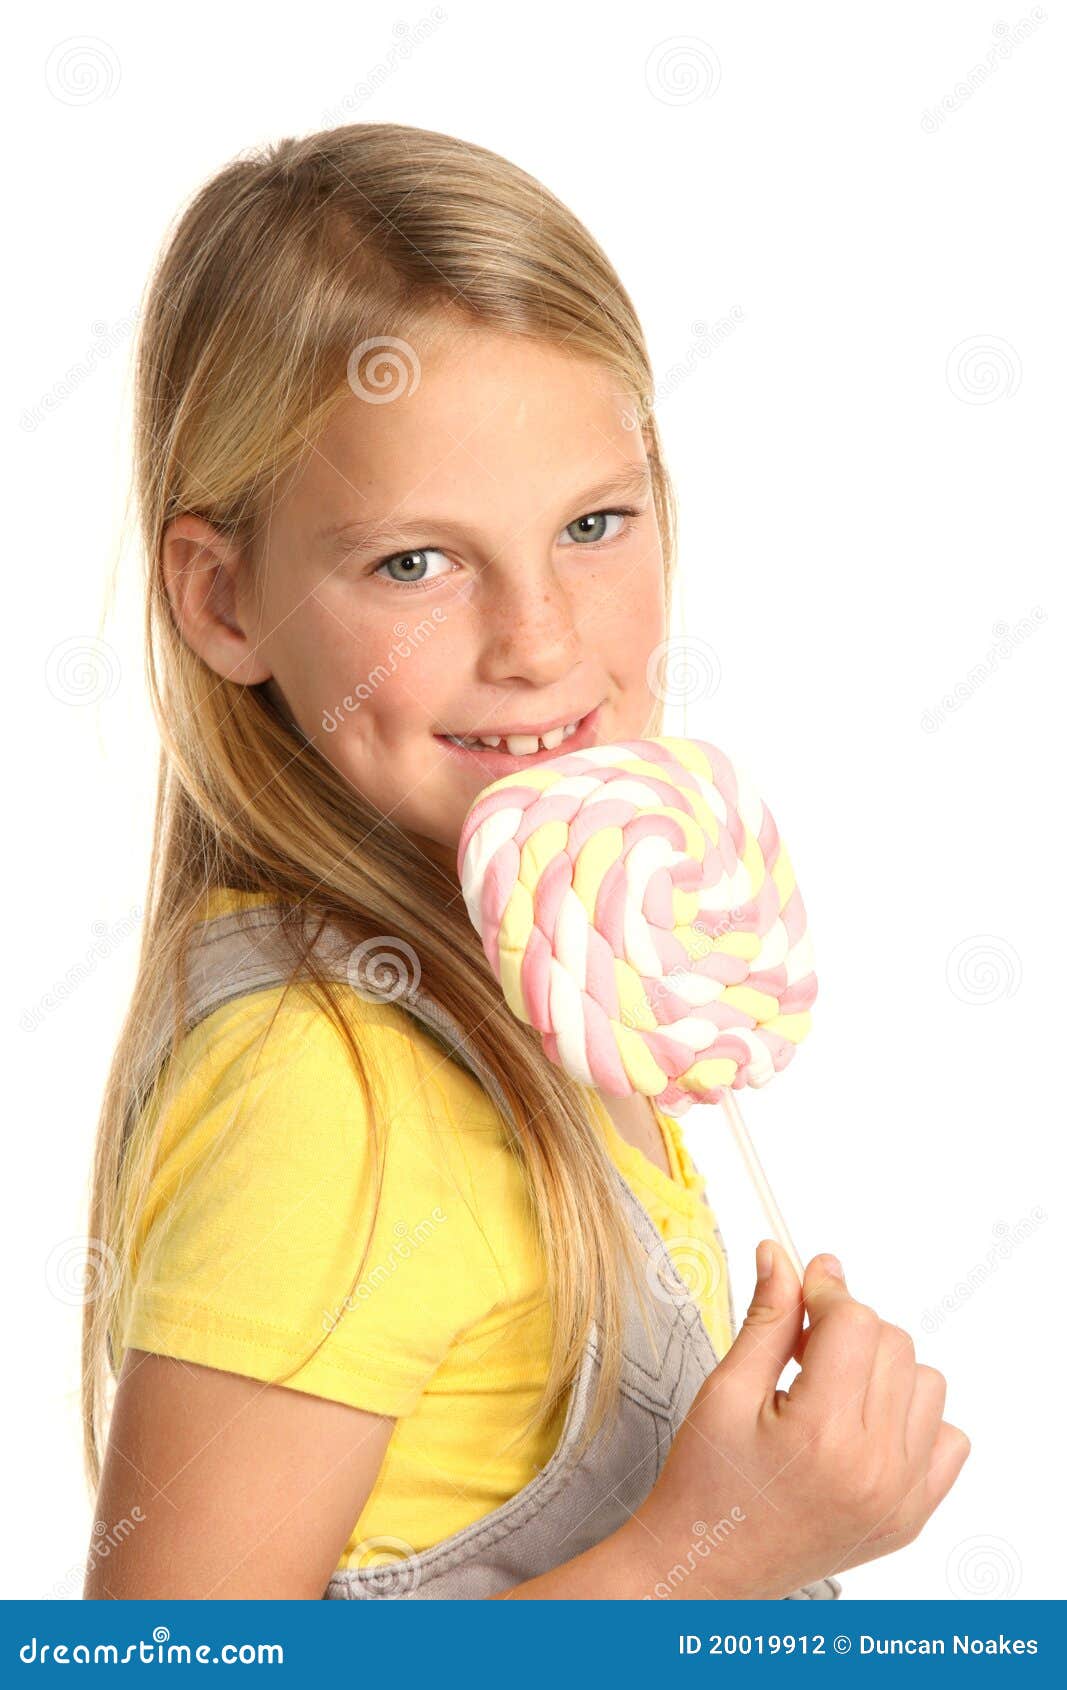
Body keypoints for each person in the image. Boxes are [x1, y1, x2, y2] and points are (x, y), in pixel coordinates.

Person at [82, 122, 969, 1600]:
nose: (543, 641)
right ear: (226, 597)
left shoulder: (553, 962)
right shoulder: (329, 1089)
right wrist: (705, 1553)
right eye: (415, 563)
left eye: (594, 524)